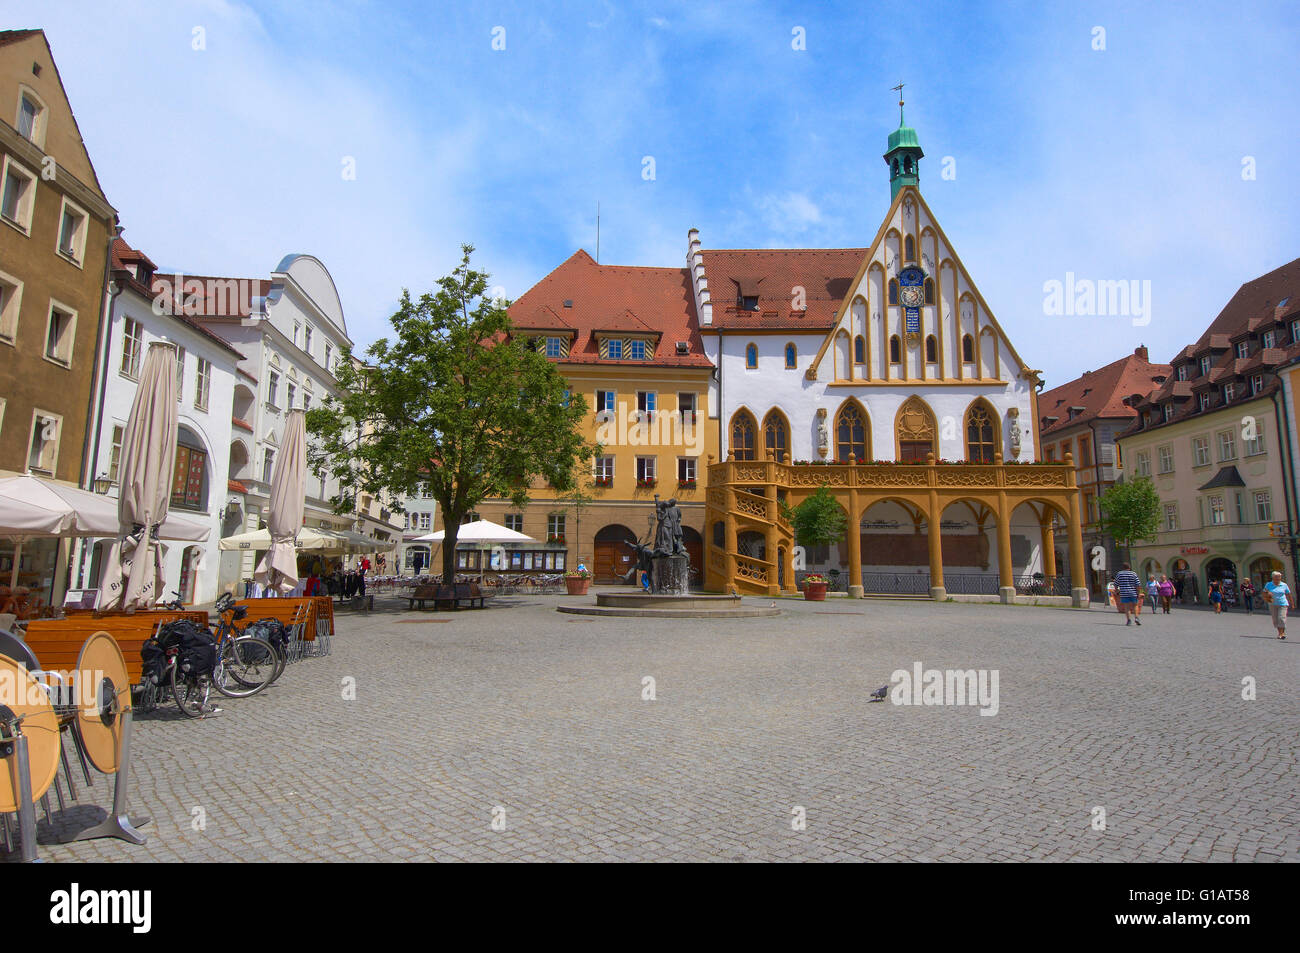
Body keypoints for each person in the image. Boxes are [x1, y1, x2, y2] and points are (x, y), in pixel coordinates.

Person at [1263, 571, 1292, 640]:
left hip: (1283, 603)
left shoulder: (1284, 585)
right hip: (1272, 604)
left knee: (1281, 618)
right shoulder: (1268, 584)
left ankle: (1282, 633)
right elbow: (1264, 592)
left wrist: (1292, 603)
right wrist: (1267, 595)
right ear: (1273, 577)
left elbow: (1288, 594)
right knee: (1275, 619)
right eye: (1276, 577)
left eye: (1279, 577)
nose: (1278, 578)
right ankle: (1280, 633)